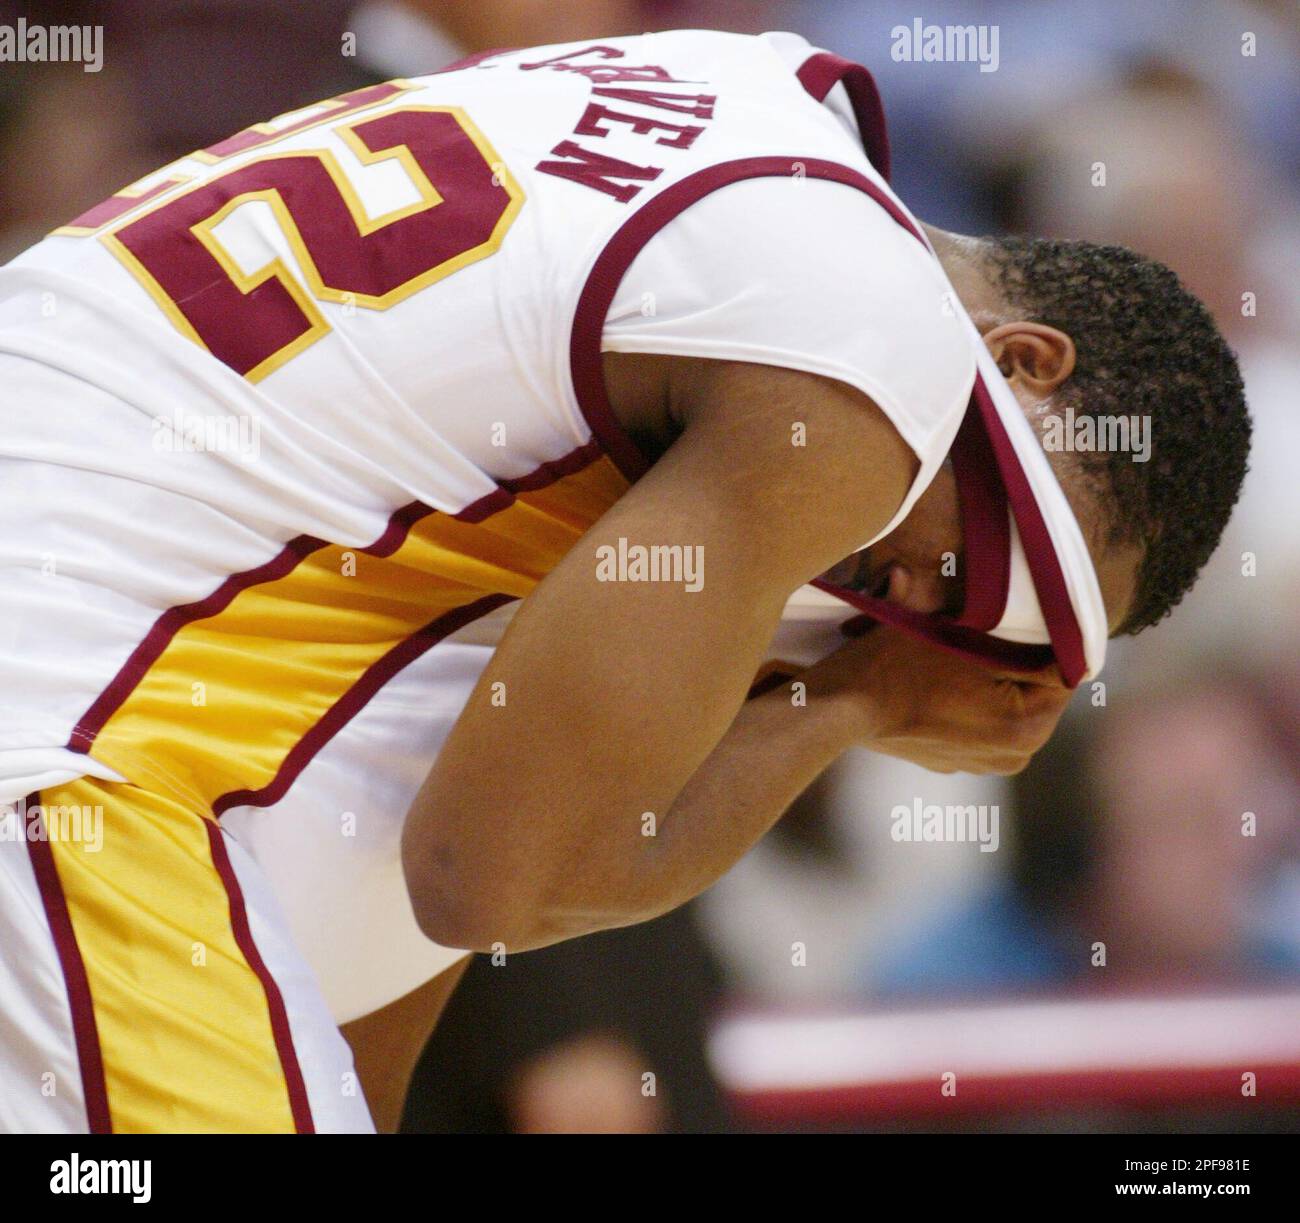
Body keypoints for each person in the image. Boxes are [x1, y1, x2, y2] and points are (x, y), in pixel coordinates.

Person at [0, 30, 1249, 1132]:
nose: (925, 611)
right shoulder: (876, 368)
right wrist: (854, 704)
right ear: (1018, 361)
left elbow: (401, 870)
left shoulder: (745, 94)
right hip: (62, 705)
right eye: (980, 567)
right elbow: (492, 881)